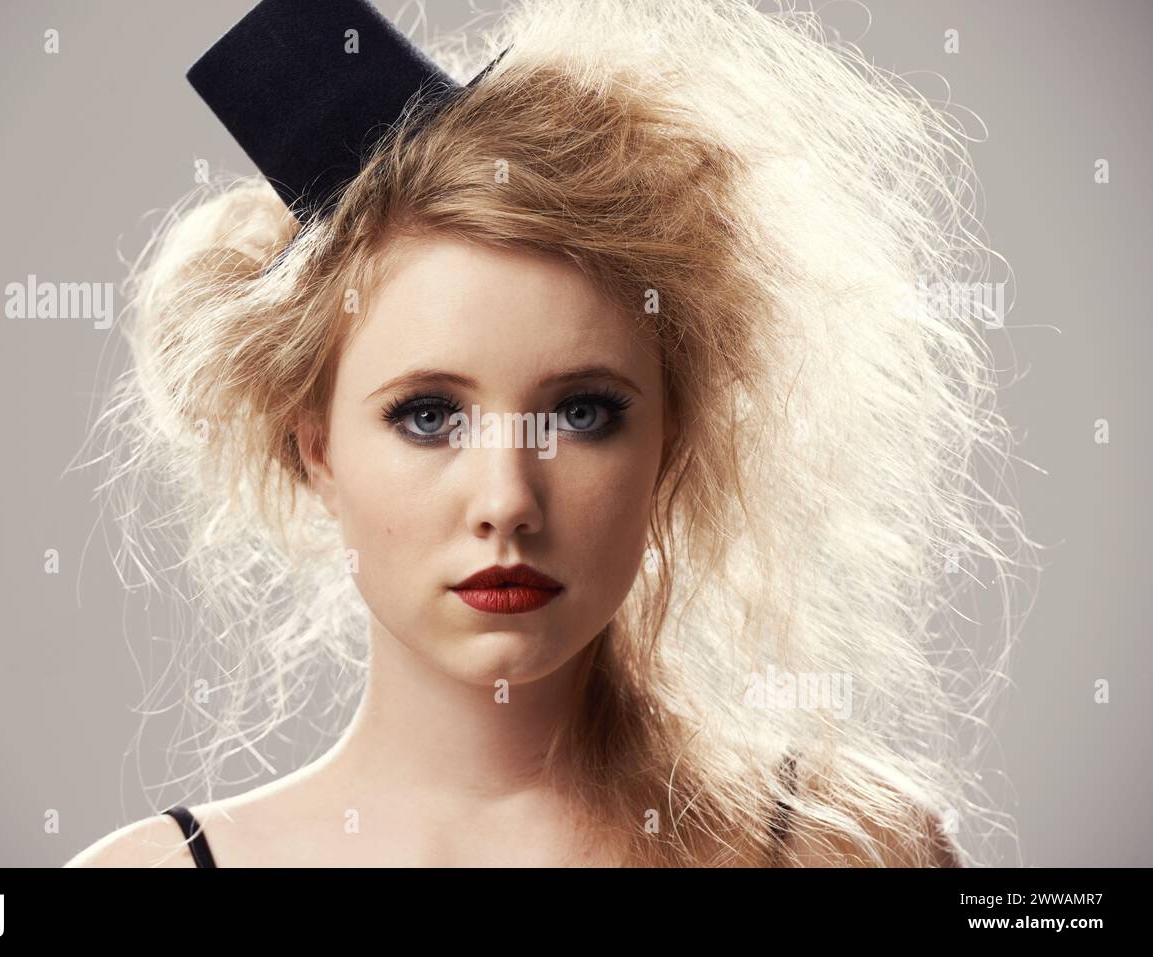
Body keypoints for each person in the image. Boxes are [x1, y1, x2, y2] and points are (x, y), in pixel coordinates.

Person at [66, 0, 1034, 867]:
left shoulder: (842, 853)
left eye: (582, 412)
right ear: (314, 447)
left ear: (672, 441)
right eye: (429, 415)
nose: (507, 503)